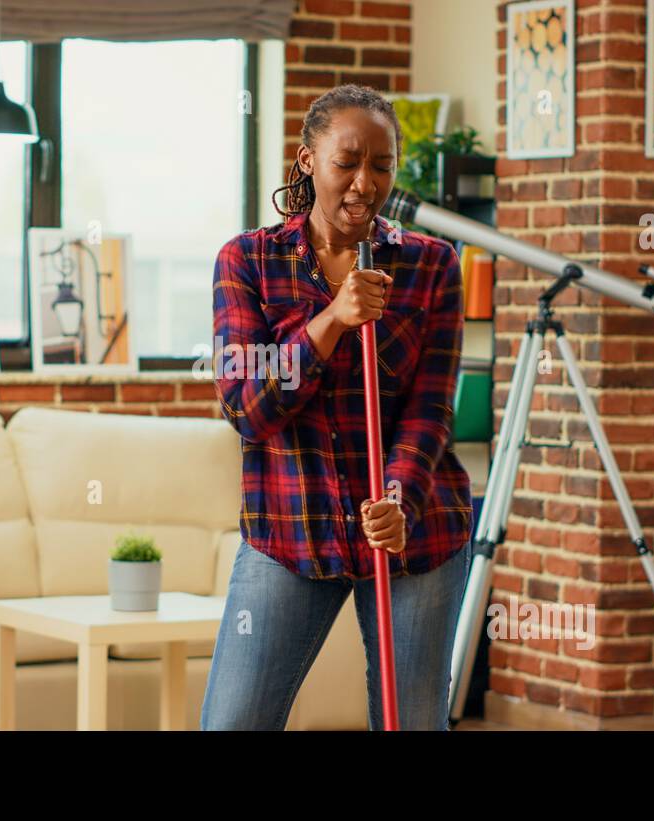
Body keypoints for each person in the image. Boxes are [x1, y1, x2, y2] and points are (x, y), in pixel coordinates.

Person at [201, 84, 475, 731]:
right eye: (346, 161)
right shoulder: (246, 262)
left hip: (414, 536)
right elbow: (247, 408)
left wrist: (399, 500)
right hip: (291, 529)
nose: (364, 182)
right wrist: (332, 320)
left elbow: (432, 410)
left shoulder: (431, 265)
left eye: (381, 165)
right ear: (307, 161)